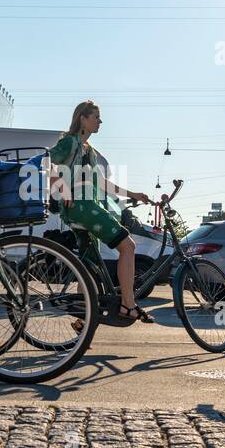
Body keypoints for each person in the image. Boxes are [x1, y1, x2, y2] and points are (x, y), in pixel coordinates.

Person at [50, 101, 153, 323]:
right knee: (128, 246)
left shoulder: (89, 151)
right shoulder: (68, 142)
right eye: (96, 117)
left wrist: (132, 194)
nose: (100, 121)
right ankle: (128, 304)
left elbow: (102, 183)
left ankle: (82, 322)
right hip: (81, 207)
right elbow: (46, 161)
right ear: (83, 119)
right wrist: (63, 187)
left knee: (89, 268)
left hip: (82, 208)